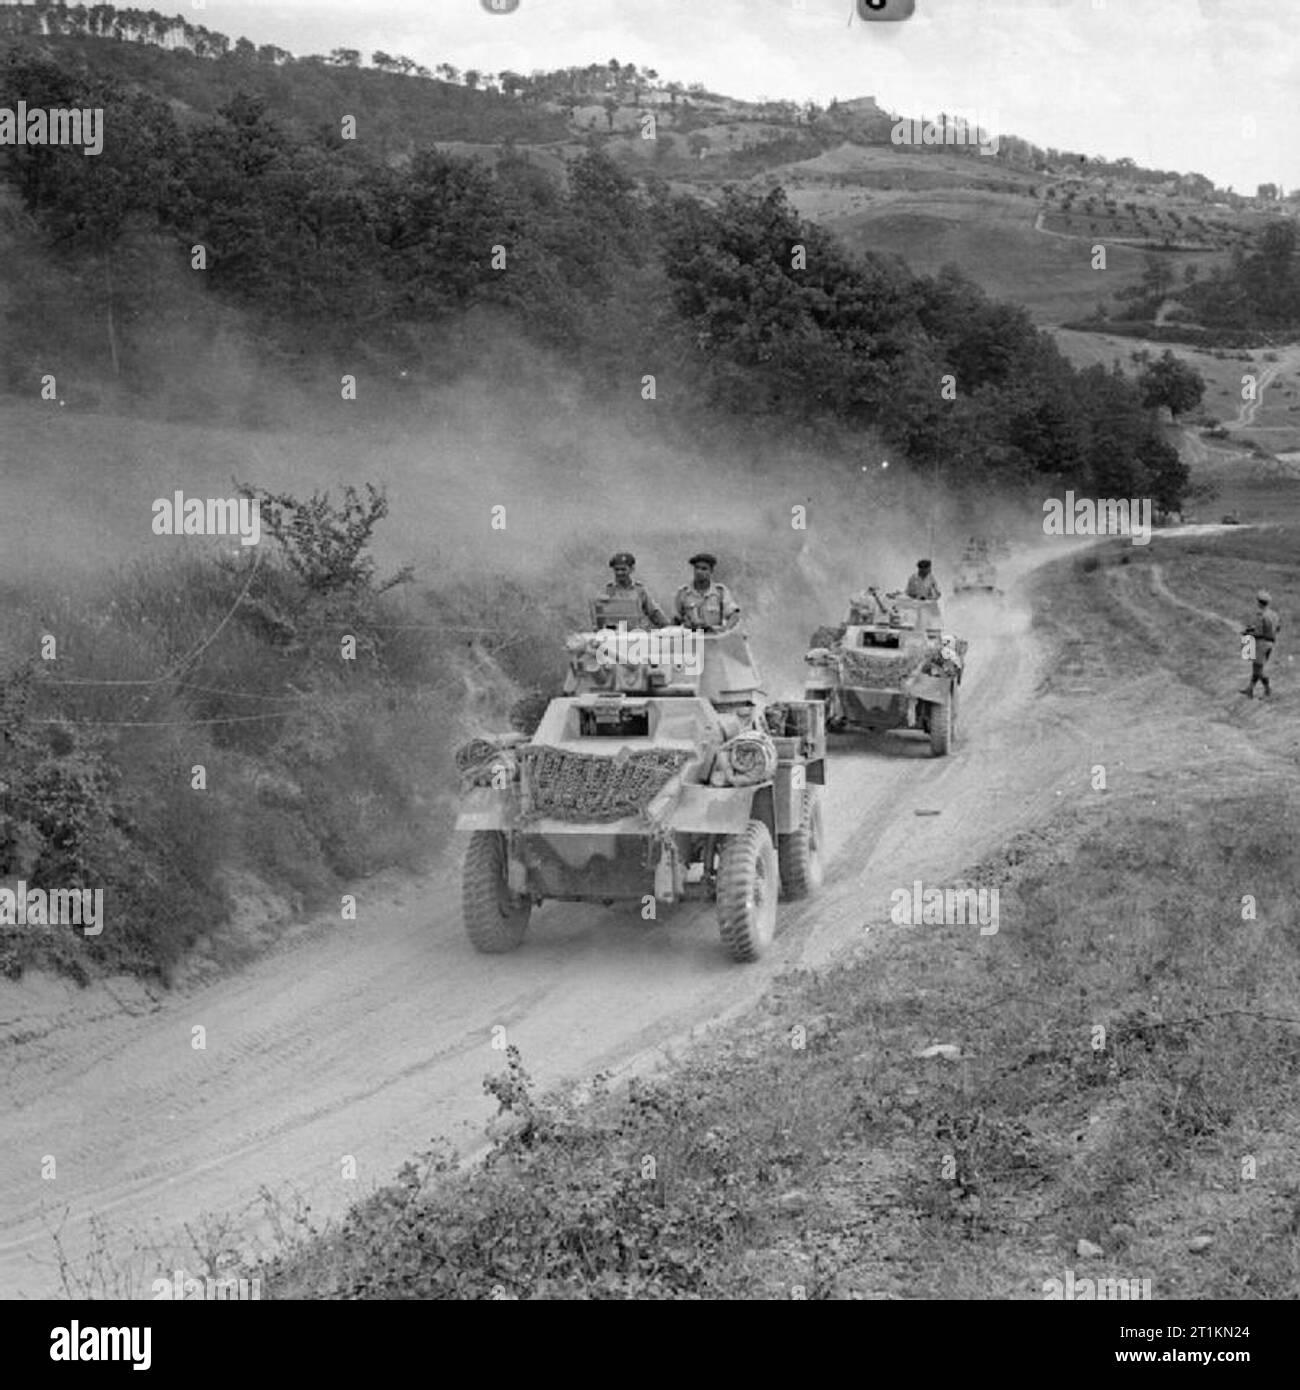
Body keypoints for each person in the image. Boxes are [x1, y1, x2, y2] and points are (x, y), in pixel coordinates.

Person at [674, 553, 740, 632]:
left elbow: (734, 616)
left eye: (704, 569)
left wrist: (724, 630)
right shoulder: (683, 593)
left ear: (711, 571)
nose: (699, 572)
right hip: (690, 639)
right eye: (697, 568)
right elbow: (675, 620)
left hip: (713, 639)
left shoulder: (720, 592)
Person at [601, 552, 668, 629]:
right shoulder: (607, 590)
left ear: (632, 569)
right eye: (617, 569)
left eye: (623, 569)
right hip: (615, 635)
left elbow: (654, 613)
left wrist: (669, 628)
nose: (619, 573)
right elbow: (599, 615)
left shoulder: (639, 590)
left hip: (637, 634)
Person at [1241, 589, 1281, 698]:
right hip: (1270, 643)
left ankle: (1268, 690)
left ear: (1259, 602)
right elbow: (1278, 628)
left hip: (1261, 643)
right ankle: (1250, 689)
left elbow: (1259, 632)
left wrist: (1247, 633)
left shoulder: (1261, 615)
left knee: (1258, 669)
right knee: (1257, 667)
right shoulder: (1274, 614)